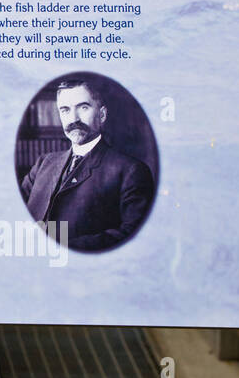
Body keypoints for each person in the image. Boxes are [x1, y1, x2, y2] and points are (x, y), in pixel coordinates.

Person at [19, 77, 154, 252]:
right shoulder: (44, 163)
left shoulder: (130, 171)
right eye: (65, 110)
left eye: (83, 107)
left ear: (102, 114)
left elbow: (132, 234)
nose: (73, 118)